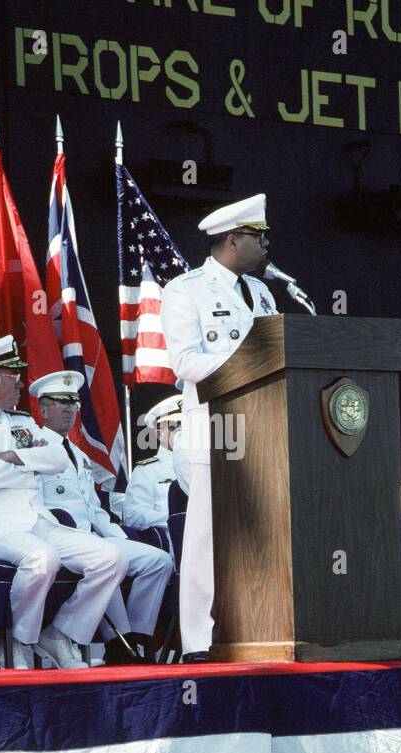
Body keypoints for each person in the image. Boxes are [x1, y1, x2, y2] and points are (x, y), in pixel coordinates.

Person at [0, 336, 126, 670]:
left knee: (111, 557)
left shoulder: (20, 422)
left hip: (38, 519)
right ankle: (20, 641)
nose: (20, 382)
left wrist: (9, 456)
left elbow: (56, 460)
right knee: (42, 559)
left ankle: (61, 633)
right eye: (13, 375)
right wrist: (28, 466)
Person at [161, 194, 278, 663]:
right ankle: (198, 640)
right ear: (233, 240)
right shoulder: (186, 290)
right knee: (209, 531)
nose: (266, 245)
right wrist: (252, 363)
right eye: (259, 237)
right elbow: (186, 362)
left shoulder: (263, 292)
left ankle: (259, 625)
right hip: (216, 425)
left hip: (267, 425)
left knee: (265, 528)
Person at [31, 371, 174, 665]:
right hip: (58, 536)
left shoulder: (80, 455)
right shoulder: (34, 447)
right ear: (43, 410)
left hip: (92, 535)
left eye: (73, 403)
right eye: (61, 402)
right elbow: (33, 502)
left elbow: (94, 508)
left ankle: (137, 637)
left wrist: (116, 533)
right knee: (107, 558)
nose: (69, 409)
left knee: (158, 561)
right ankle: (116, 643)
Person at [122, 396, 184, 531]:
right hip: (170, 541)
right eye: (174, 427)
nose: (182, 432)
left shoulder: (204, 466)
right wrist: (179, 518)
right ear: (158, 433)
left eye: (186, 425)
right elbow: (133, 516)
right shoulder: (147, 471)